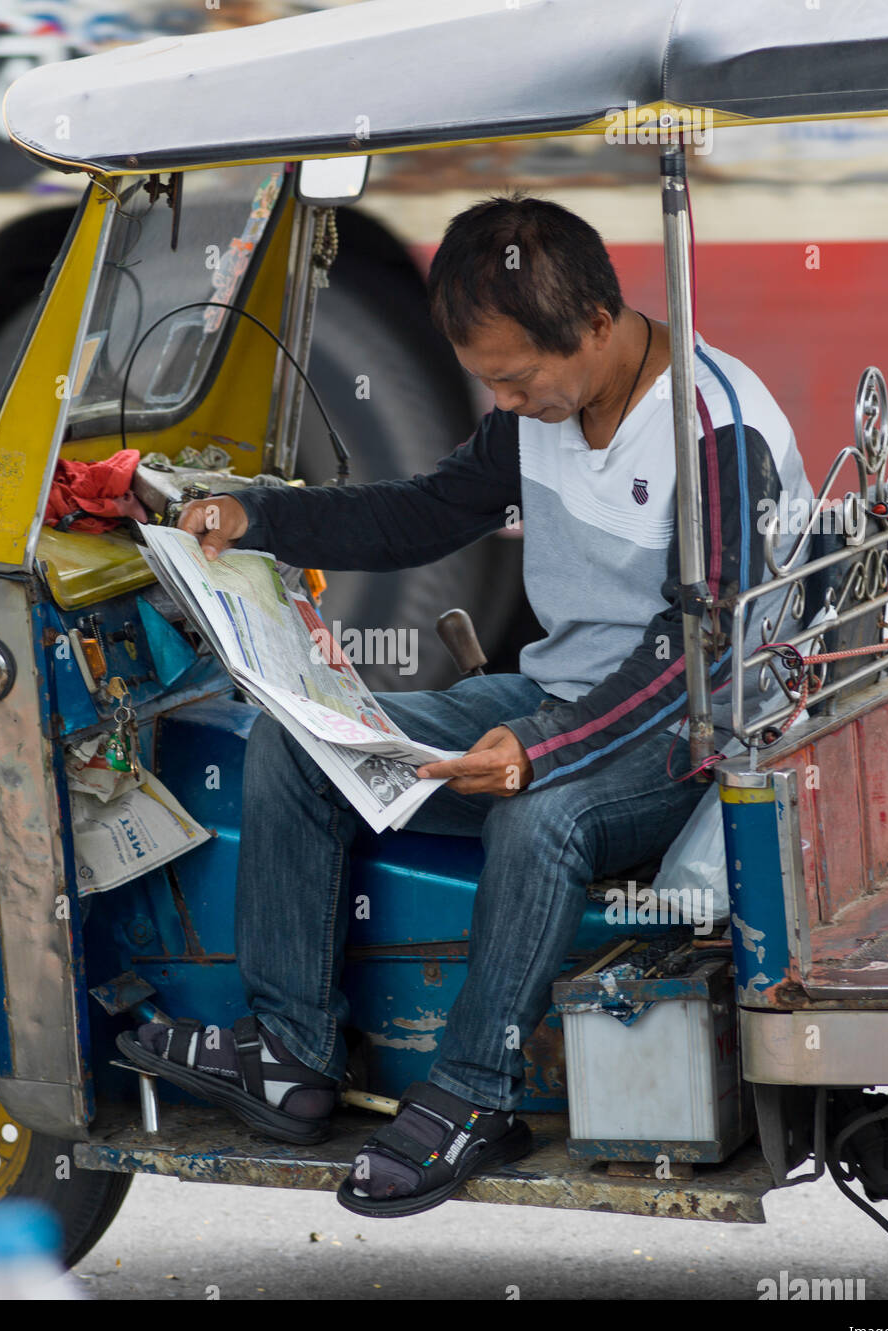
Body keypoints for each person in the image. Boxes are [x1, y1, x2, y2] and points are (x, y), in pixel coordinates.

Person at [117, 194, 813, 1217]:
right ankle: (290, 1053)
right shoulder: (541, 411)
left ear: (594, 326)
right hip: (560, 696)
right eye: (489, 380)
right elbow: (419, 513)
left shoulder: (716, 431)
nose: (508, 400)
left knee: (542, 819)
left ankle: (471, 1092)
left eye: (517, 377)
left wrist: (540, 752)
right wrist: (256, 516)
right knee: (299, 746)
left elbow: (691, 659)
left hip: (691, 737)